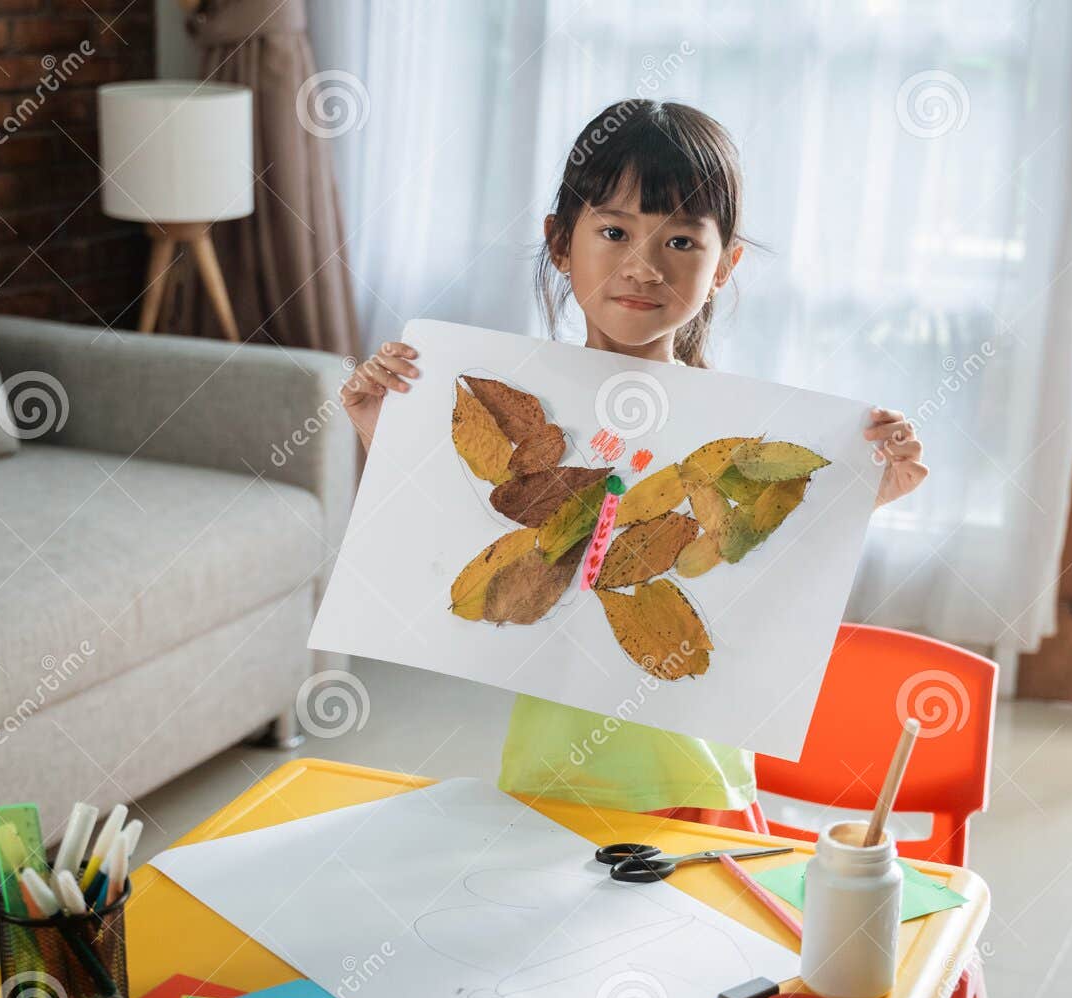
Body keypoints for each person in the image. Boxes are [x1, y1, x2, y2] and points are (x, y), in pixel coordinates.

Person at [339, 100, 926, 833]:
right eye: (614, 232)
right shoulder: (526, 422)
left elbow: (763, 575)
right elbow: (452, 542)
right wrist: (385, 433)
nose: (644, 267)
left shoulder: (743, 441)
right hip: (551, 777)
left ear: (726, 265)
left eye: (681, 240)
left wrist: (862, 493)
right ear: (560, 242)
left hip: (702, 780)